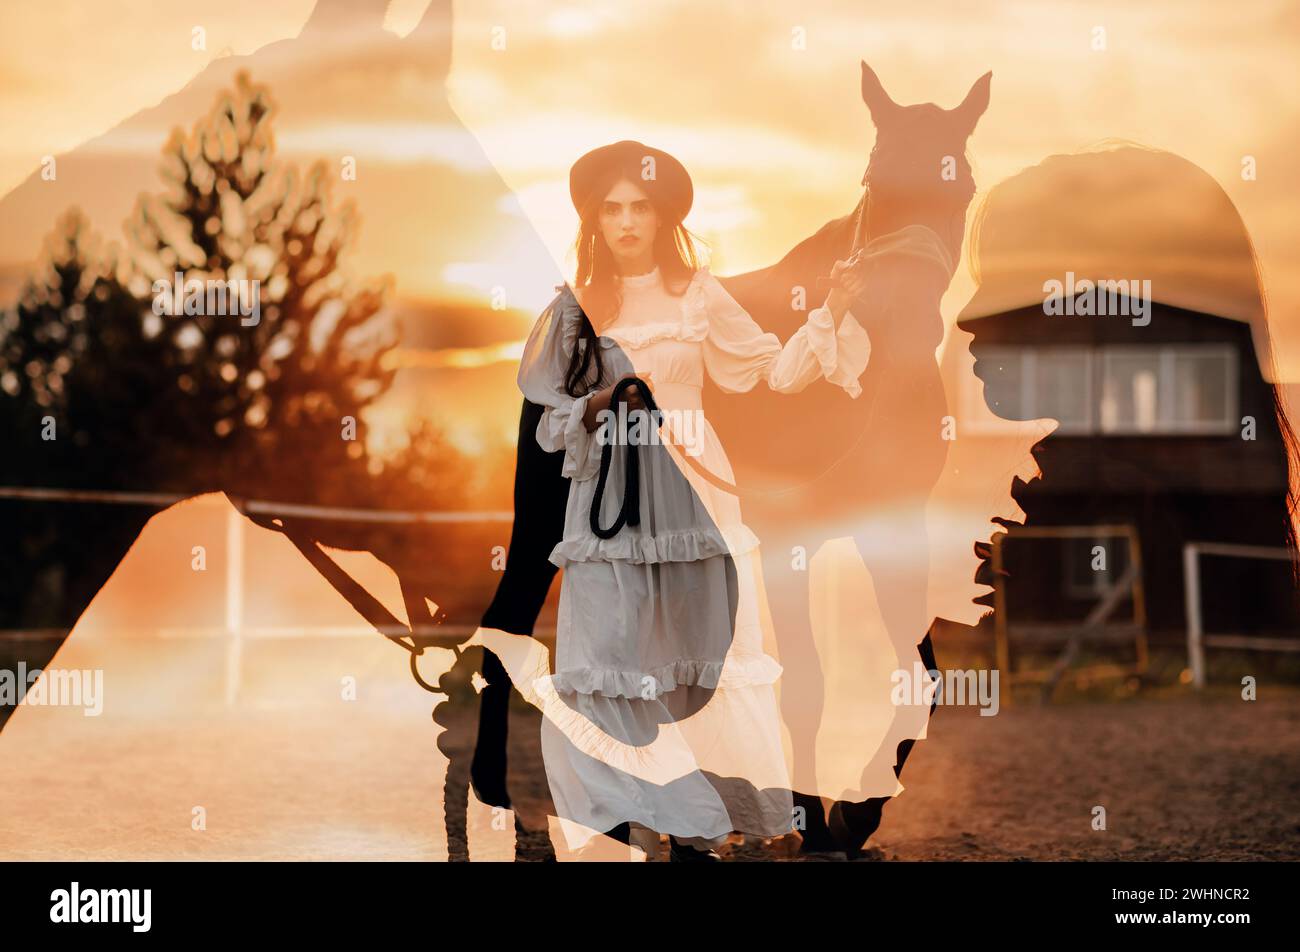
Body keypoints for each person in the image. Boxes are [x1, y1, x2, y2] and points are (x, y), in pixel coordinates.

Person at [516, 139, 870, 860]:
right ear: (594, 219)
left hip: (695, 493)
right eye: (610, 208)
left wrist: (831, 309)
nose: (624, 222)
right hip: (609, 493)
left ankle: (698, 831)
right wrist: (597, 405)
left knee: (696, 655)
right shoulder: (573, 310)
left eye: (639, 207)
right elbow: (551, 420)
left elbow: (770, 373)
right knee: (612, 652)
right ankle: (614, 818)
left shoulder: (700, 295)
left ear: (662, 215)